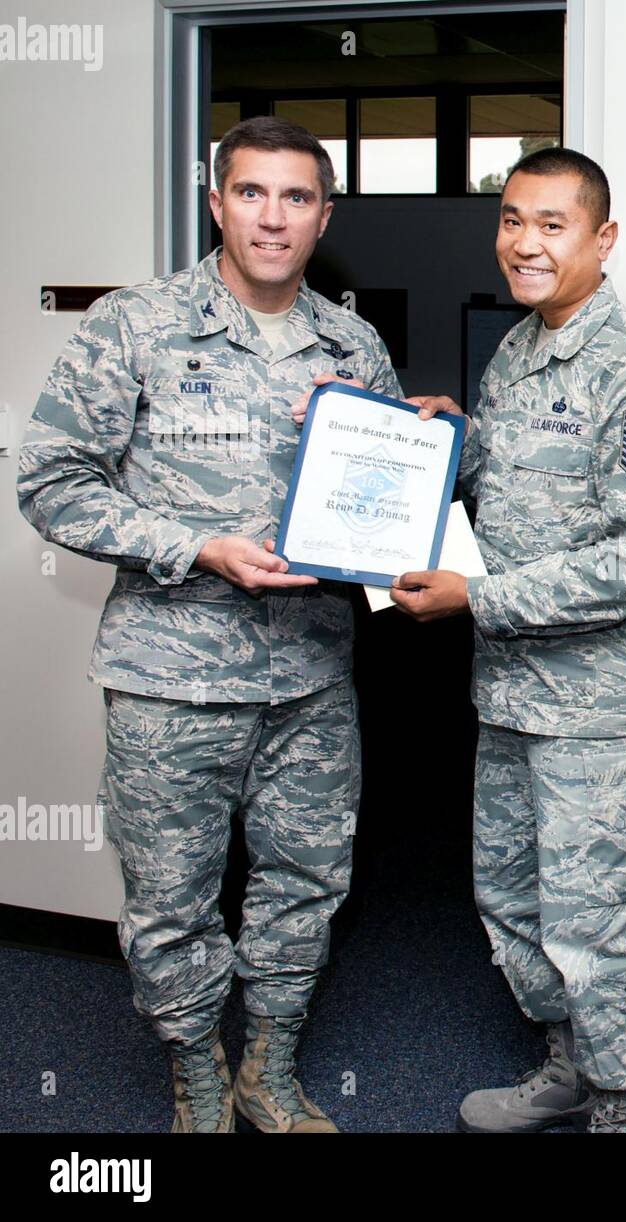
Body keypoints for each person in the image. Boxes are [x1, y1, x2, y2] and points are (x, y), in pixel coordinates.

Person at [17, 116, 402, 1133]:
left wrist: (414, 452)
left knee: (306, 883)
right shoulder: (135, 326)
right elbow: (50, 482)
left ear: (324, 213)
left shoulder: (353, 343)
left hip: (312, 680)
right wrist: (195, 546)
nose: (273, 218)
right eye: (252, 194)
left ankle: (266, 1068)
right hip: (168, 679)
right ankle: (197, 1075)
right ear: (215, 201)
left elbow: (389, 499)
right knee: (171, 901)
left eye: (297, 197)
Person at [391, 148, 626, 1133]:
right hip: (514, 693)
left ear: (601, 240)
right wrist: (454, 437)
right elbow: (526, 487)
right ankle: (568, 1062)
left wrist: (473, 599)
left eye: (552, 224)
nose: (526, 242)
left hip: (598, 709)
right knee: (514, 903)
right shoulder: (521, 347)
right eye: (512, 219)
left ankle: (621, 1105)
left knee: (599, 923)